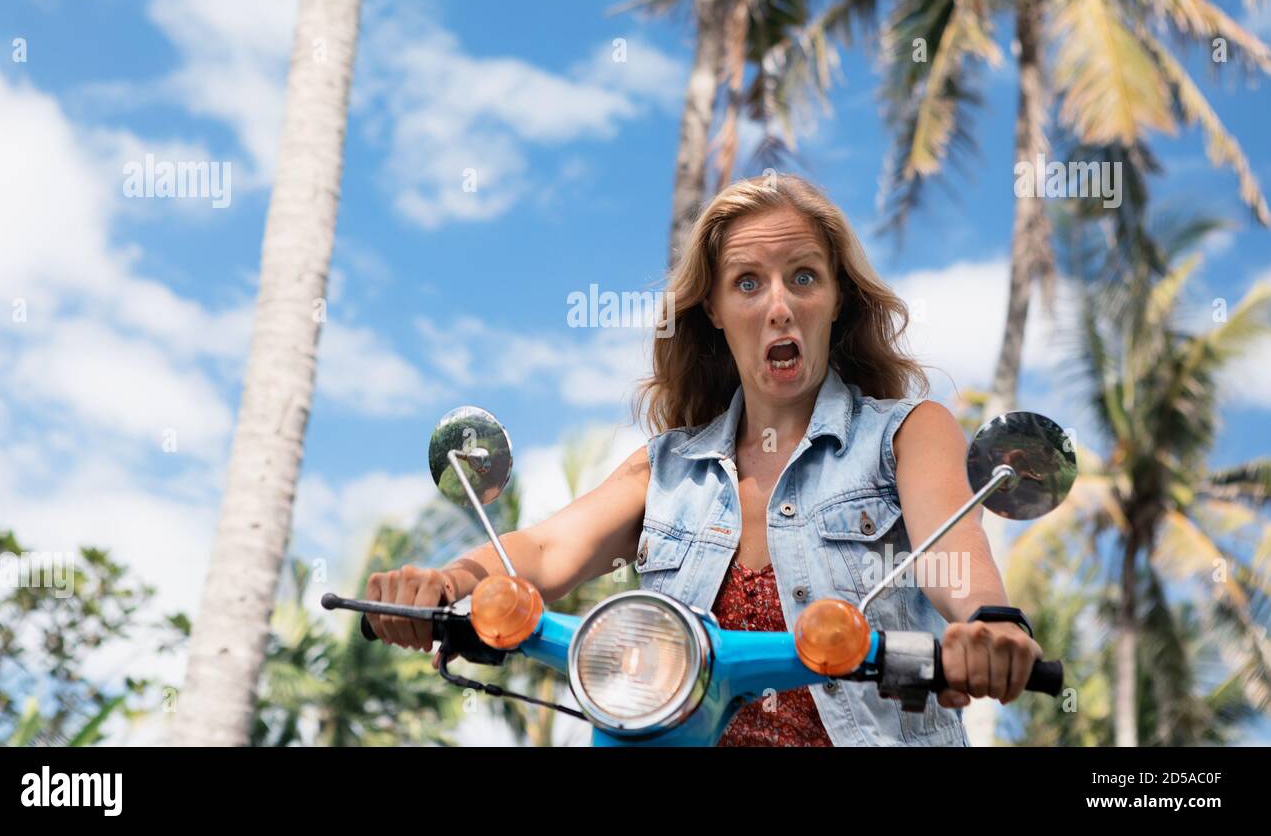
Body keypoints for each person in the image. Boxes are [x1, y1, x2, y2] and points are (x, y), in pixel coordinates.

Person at [365, 173, 1043, 746]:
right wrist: (446, 584)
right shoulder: (665, 470)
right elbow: (543, 549)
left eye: (803, 276)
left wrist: (986, 623)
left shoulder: (905, 434)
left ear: (837, 298)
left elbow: (949, 546)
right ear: (715, 310)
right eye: (747, 283)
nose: (778, 305)